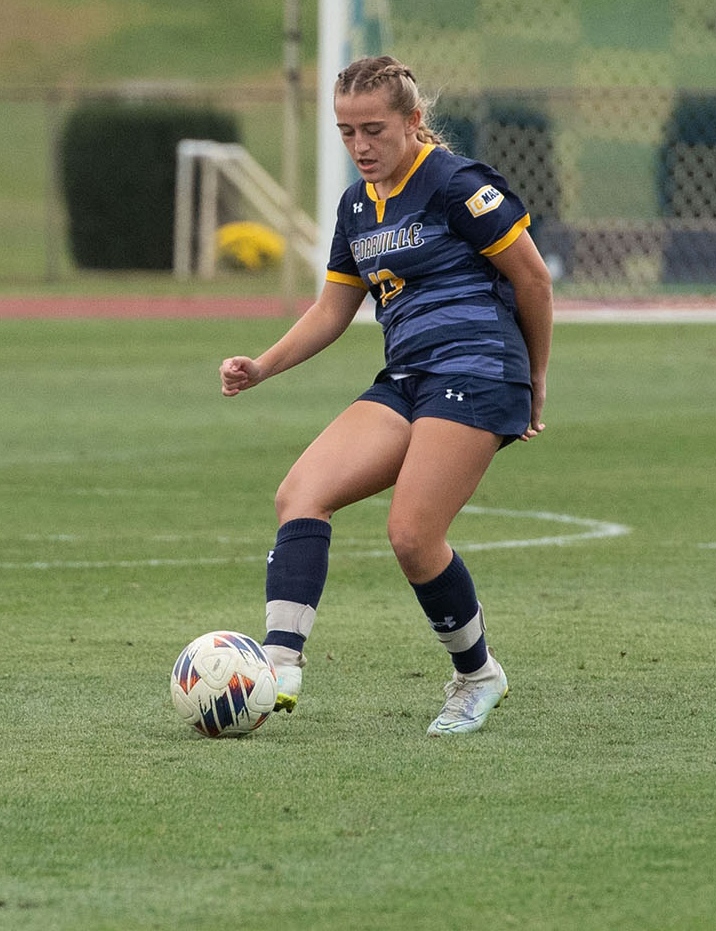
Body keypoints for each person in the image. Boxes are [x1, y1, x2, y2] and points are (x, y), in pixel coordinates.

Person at [218, 56, 553, 736]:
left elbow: (534, 281)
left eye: (373, 129)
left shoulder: (456, 184)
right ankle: (278, 668)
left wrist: (534, 378)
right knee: (300, 494)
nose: (360, 146)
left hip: (479, 368)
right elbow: (333, 309)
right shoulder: (354, 206)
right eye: (346, 132)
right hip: (408, 377)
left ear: (413, 122)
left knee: (411, 534)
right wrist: (263, 366)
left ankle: (477, 676)